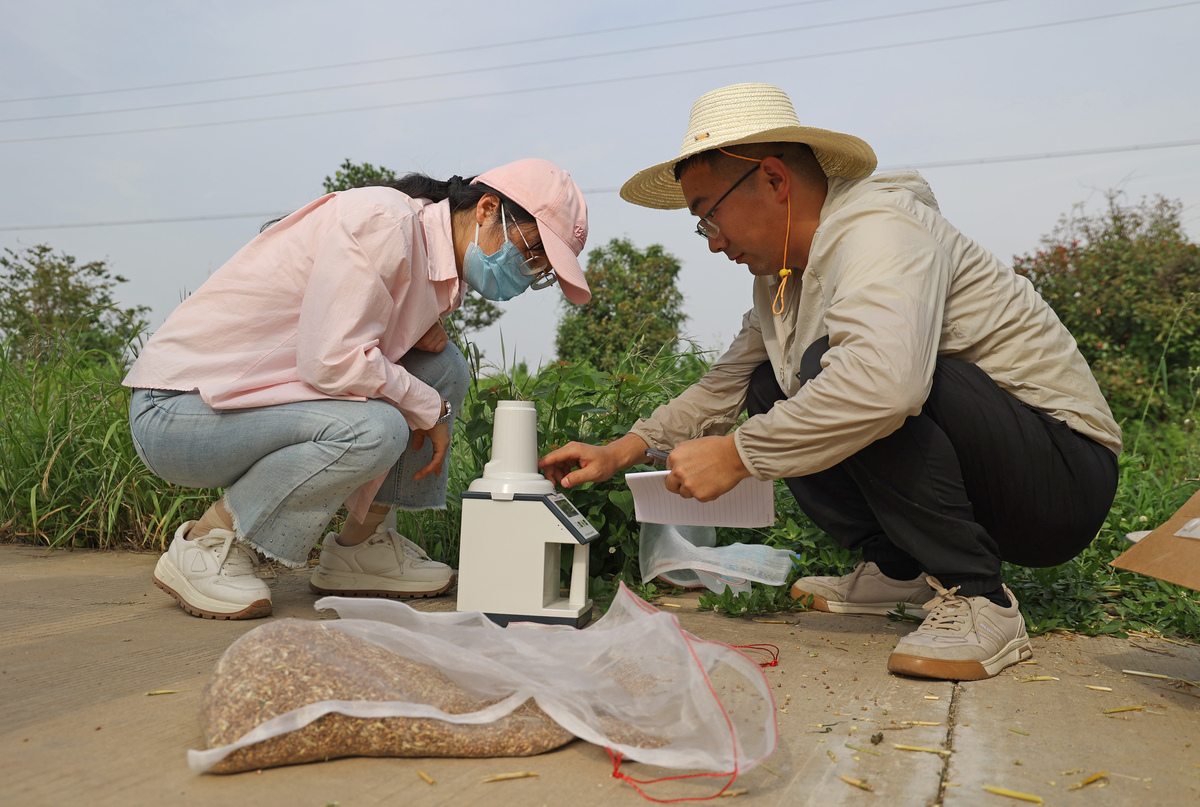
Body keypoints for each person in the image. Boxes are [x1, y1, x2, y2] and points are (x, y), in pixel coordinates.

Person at [539, 84, 1120, 681]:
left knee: (848, 372)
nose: (712, 240)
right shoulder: (783, 281)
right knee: (773, 381)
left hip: (1061, 475)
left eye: (709, 213)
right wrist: (622, 451)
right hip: (998, 463)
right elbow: (726, 385)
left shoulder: (882, 228)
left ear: (772, 179)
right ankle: (901, 571)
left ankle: (979, 598)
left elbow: (885, 387)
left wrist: (739, 454)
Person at [125, 158, 590, 620]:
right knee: (378, 428)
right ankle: (207, 542)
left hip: (249, 405)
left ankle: (361, 547)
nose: (531, 273)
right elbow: (331, 361)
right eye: (532, 252)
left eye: (544, 269)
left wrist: (420, 353)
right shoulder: (383, 223)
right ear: (487, 208)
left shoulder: (436, 262)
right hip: (178, 410)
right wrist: (431, 408)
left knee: (441, 366)